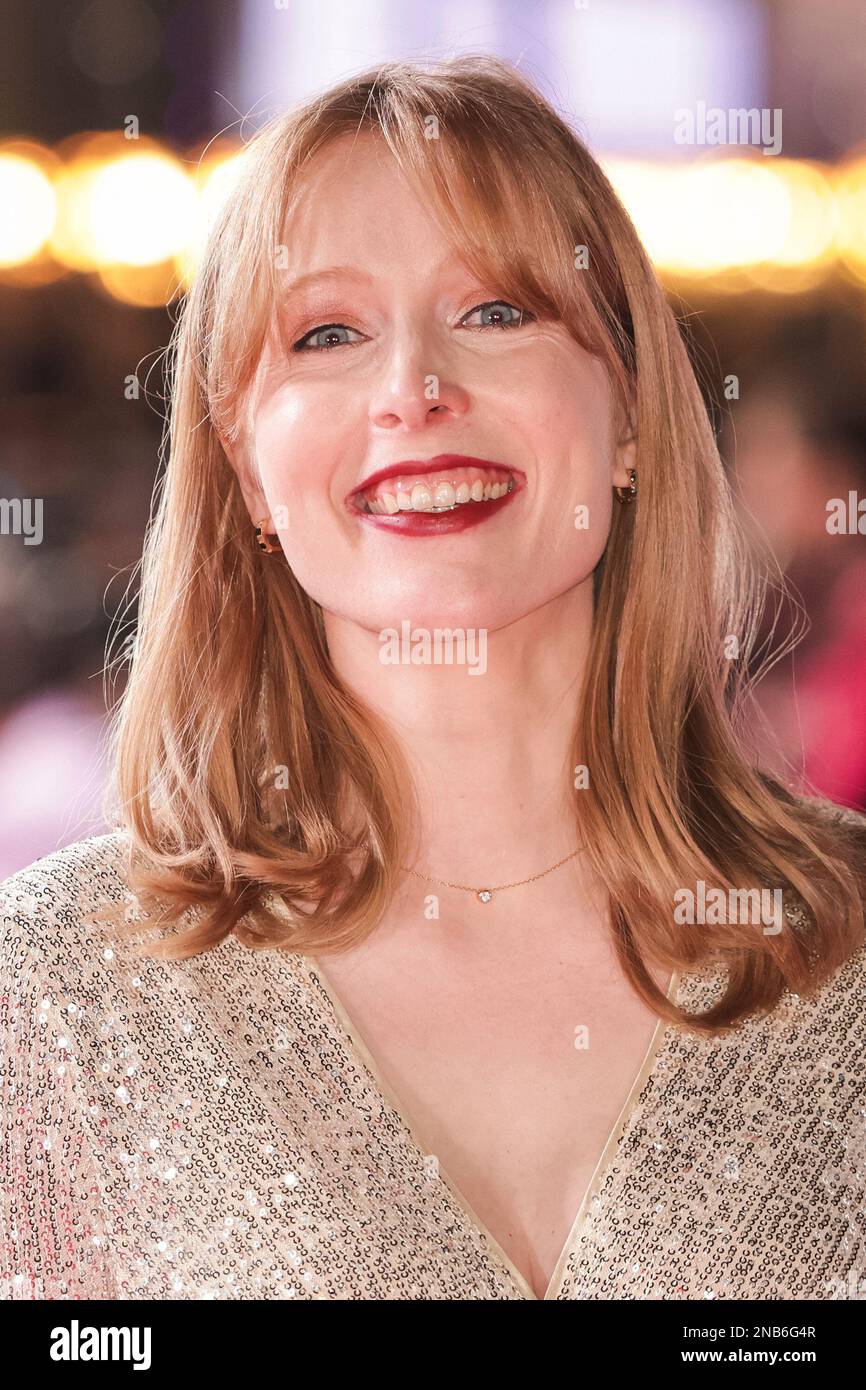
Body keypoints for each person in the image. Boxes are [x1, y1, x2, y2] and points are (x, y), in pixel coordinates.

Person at [1, 55, 865, 1303]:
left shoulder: (843, 944)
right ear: (246, 472)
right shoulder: (53, 999)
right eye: (329, 333)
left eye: (496, 311)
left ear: (625, 410)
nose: (414, 391)